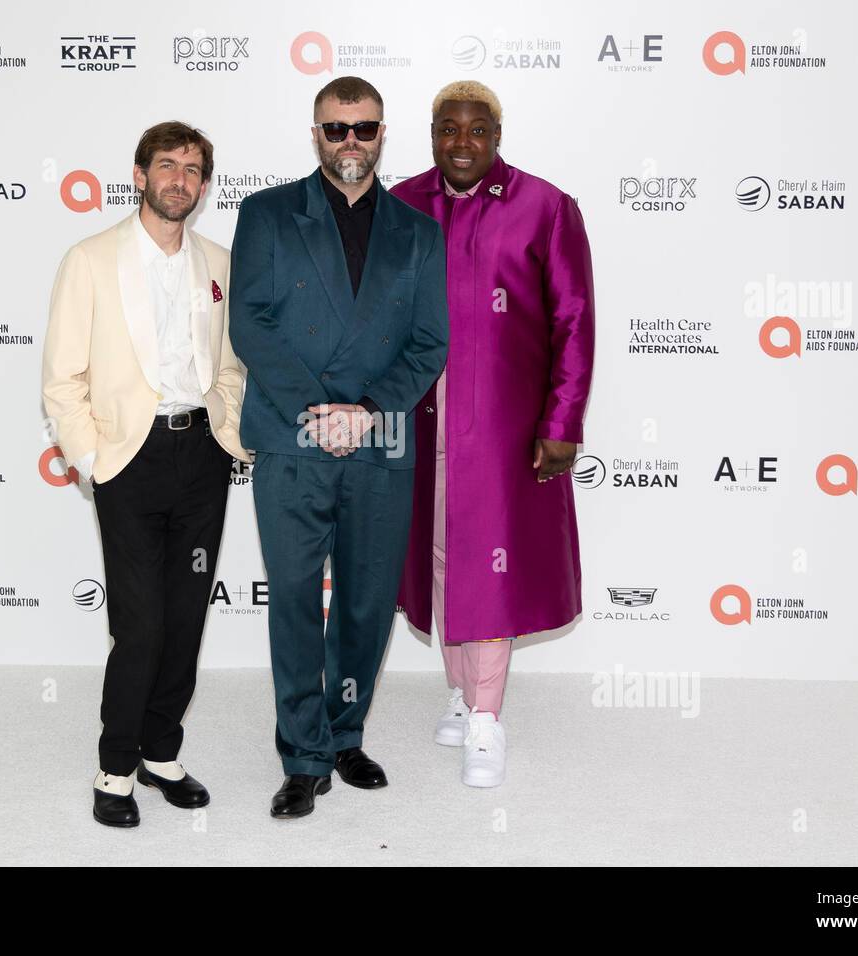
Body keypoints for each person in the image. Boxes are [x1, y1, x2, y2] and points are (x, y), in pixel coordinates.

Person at [229, 76, 448, 818]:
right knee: (293, 598)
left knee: (364, 601)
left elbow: (429, 343)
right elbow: (250, 325)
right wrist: (318, 409)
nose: (350, 141)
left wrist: (365, 410)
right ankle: (303, 754)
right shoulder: (265, 214)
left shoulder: (418, 231)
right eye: (335, 128)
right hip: (293, 435)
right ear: (315, 133)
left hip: (379, 437)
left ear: (383, 133)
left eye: (364, 128)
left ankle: (345, 731)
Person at [41, 121, 248, 827]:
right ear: (139, 175)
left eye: (193, 170)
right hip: (129, 459)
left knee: (187, 612)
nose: (179, 180)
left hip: (202, 458)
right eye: (167, 166)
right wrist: (95, 459)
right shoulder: (91, 260)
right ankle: (115, 764)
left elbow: (231, 366)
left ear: (204, 184)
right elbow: (62, 378)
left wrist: (225, 423)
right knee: (141, 621)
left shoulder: (219, 262)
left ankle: (162, 751)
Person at [391, 81, 596, 788]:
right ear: (431, 135)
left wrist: (562, 422)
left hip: (506, 428)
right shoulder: (402, 206)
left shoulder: (545, 208)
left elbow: (574, 322)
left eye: (477, 130)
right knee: (440, 564)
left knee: (493, 568)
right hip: (422, 423)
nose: (463, 143)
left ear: (498, 135)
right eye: (448, 129)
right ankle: (460, 689)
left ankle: (486, 716)